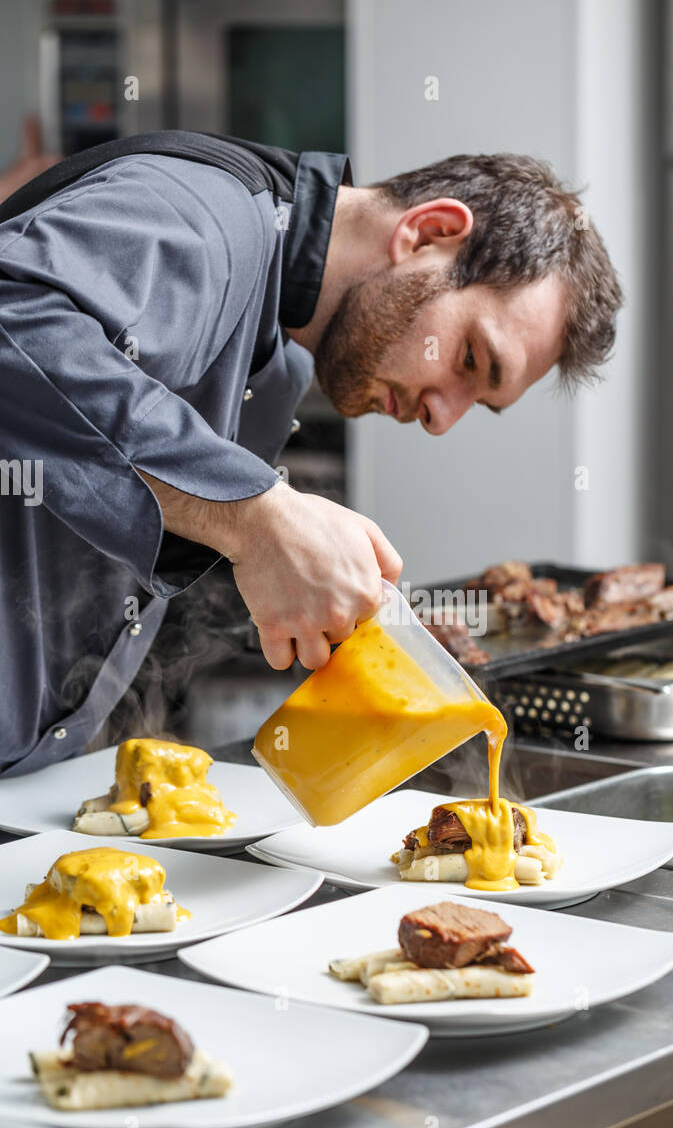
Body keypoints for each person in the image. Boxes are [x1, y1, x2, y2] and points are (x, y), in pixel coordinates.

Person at [0, 133, 622, 774]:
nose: (442, 418)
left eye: (480, 402)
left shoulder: (282, 363)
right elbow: (12, 318)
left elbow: (125, 512)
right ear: (428, 232)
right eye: (470, 359)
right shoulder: (204, 216)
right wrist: (256, 517)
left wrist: (324, 602)